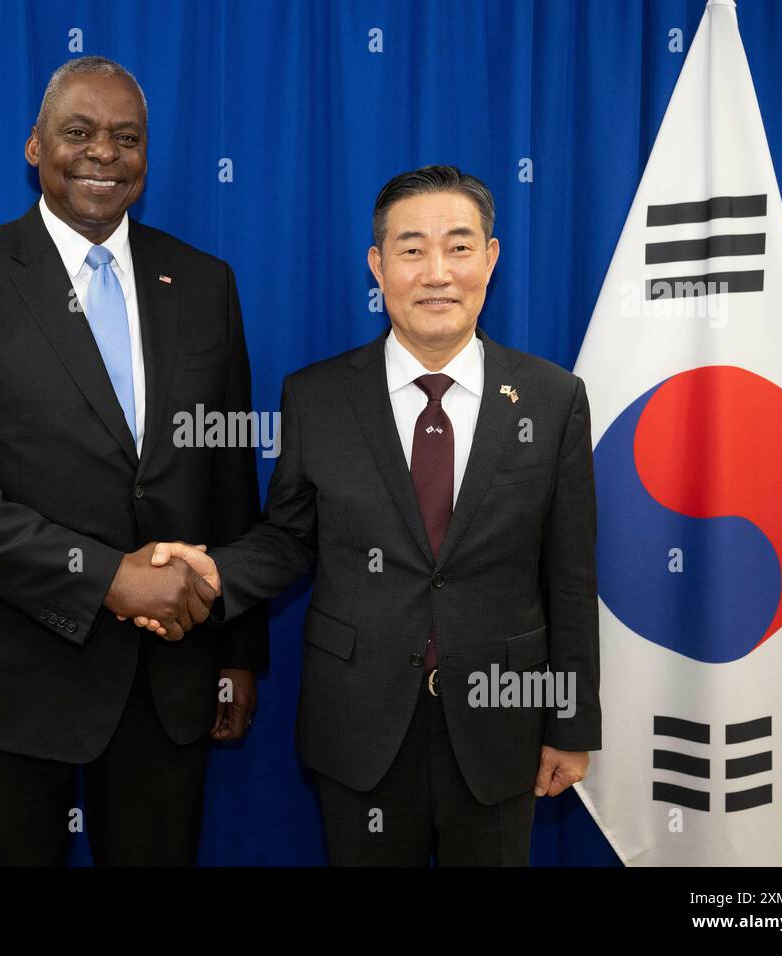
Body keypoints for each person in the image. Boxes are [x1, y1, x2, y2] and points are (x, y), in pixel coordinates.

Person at [132, 166, 600, 865]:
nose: (437, 272)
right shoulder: (316, 397)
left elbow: (569, 573)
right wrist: (214, 571)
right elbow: (289, 542)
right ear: (378, 266)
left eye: (459, 246)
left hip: (501, 723)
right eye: (412, 250)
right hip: (359, 725)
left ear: (491, 259)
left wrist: (571, 721)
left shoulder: (550, 398)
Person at [0, 56, 267, 866]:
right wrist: (108, 578)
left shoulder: (205, 283)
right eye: (80, 132)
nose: (104, 154)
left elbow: (230, 479)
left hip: (169, 679)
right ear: (34, 146)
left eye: (126, 138)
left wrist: (237, 655)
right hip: (10, 683)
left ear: (148, 157)